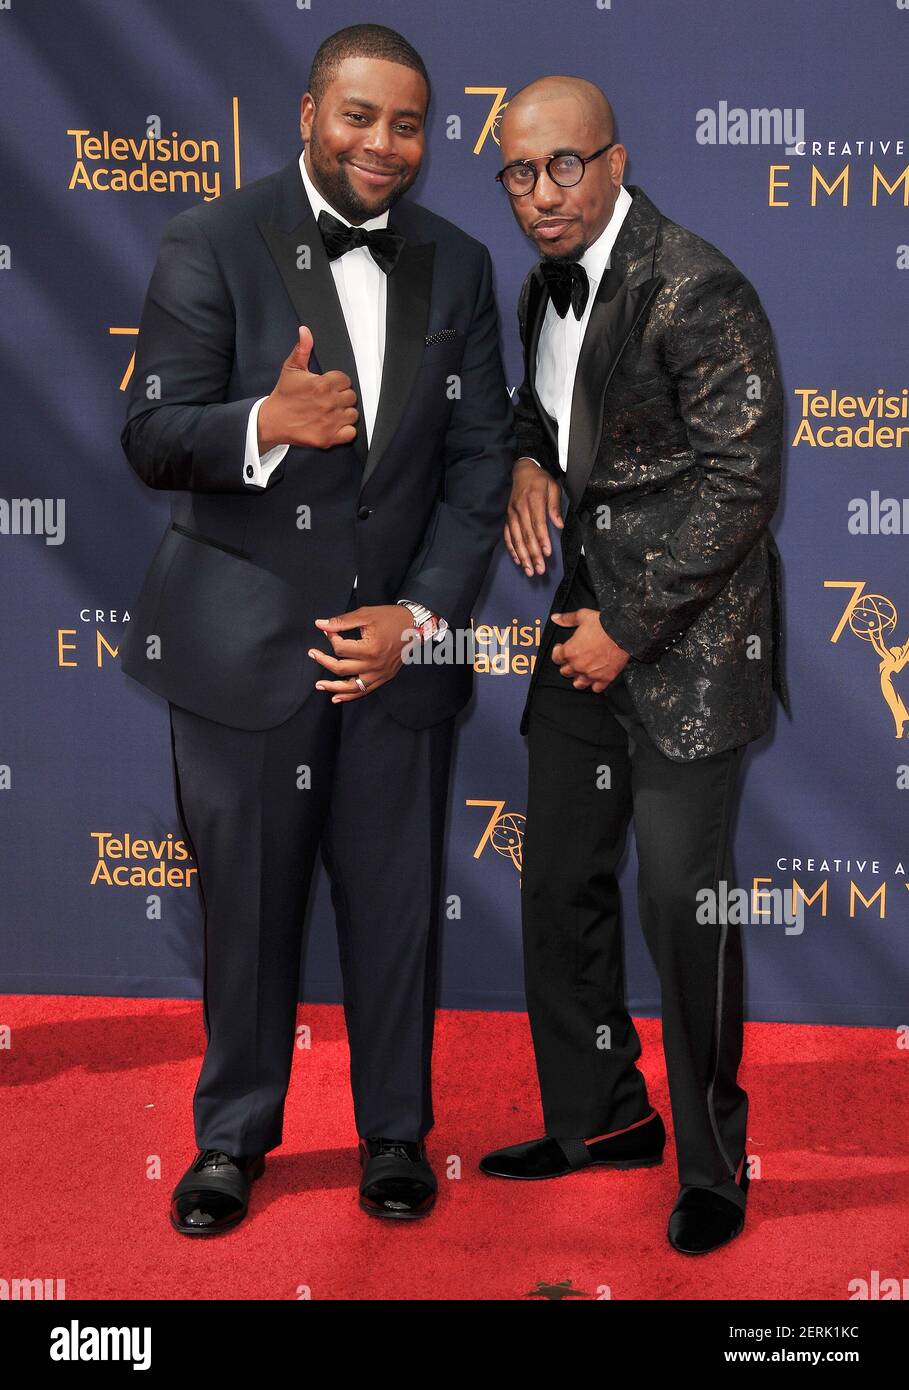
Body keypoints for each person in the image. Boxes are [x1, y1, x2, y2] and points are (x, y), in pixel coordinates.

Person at [119, 23, 513, 1233]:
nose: (382, 145)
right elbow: (150, 434)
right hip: (246, 654)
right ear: (307, 114)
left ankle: (396, 1133)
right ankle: (232, 1138)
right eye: (359, 116)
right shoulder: (210, 241)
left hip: (393, 659)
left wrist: (421, 613)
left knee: (396, 913)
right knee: (244, 911)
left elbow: (479, 460)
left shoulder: (459, 265)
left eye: (406, 124)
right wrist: (264, 423)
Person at [478, 76, 789, 1255]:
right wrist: (523, 461)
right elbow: (546, 410)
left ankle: (715, 1160)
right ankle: (604, 1118)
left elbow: (741, 484)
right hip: (580, 624)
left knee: (681, 902)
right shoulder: (537, 287)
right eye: (518, 171)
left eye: (564, 165)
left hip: (689, 644)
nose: (541, 193)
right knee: (557, 880)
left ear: (615, 160)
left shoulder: (697, 287)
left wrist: (631, 623)